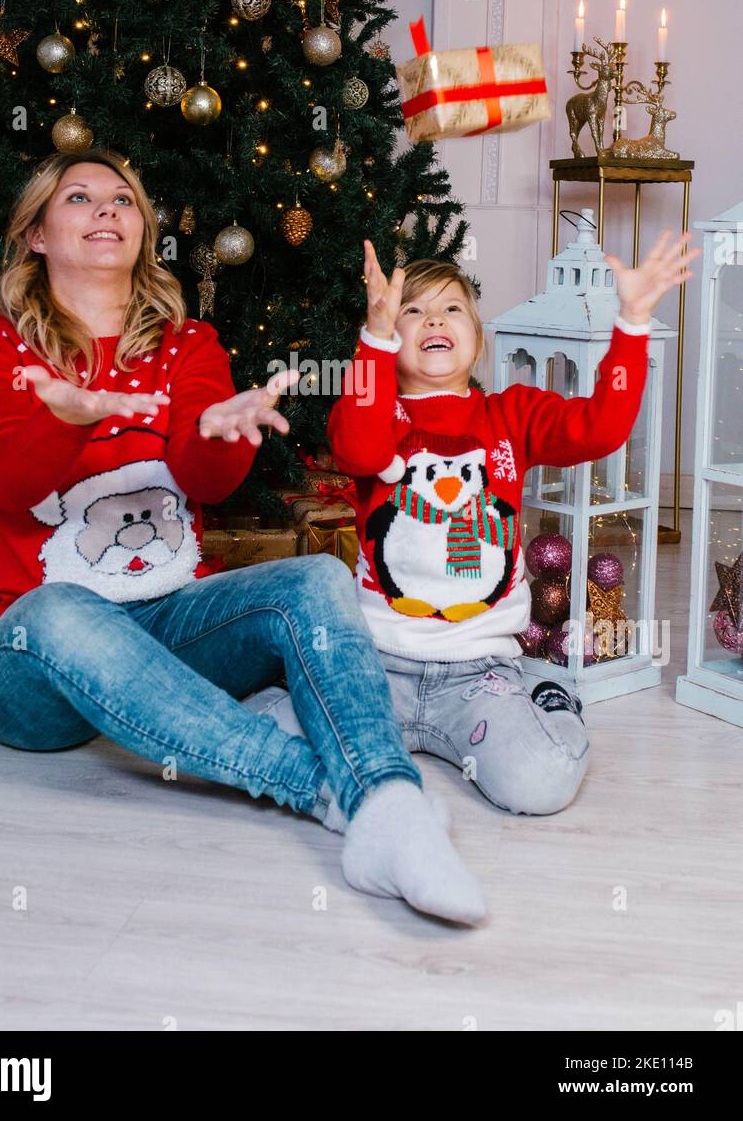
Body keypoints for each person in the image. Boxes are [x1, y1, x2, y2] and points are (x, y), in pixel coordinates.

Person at [0, 149, 488, 926]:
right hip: (27, 658)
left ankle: (386, 802)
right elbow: (7, 483)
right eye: (80, 198)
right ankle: (334, 793)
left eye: (123, 200)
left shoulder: (187, 342)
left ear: (142, 229)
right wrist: (65, 419)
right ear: (35, 233)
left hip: (163, 625)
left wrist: (223, 434)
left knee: (314, 580)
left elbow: (205, 482)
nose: (107, 211)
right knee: (61, 605)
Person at [247, 229, 698, 834]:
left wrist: (634, 321)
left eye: (451, 308)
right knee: (258, 736)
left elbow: (600, 428)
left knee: (544, 778)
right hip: (373, 665)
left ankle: (548, 697)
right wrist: (373, 338)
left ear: (477, 339)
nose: (434, 317)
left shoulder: (510, 414)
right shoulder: (377, 410)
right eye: (413, 310)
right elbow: (357, 444)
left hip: (479, 674)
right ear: (390, 337)